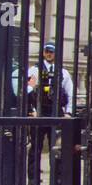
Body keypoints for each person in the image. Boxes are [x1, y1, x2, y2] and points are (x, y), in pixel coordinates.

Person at [26, 42, 73, 176]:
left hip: (56, 112)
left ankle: (57, 178)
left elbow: (70, 94)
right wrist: (31, 109)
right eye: (47, 51)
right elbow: (27, 91)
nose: (49, 54)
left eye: (51, 52)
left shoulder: (63, 72)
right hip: (40, 112)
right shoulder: (34, 70)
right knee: (36, 147)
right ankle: (33, 178)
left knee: (57, 147)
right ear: (43, 53)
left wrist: (68, 112)